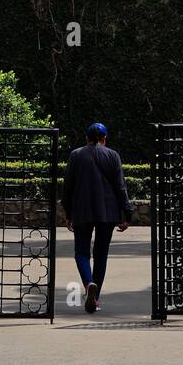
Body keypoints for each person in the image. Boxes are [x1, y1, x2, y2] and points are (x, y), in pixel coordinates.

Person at [61, 122, 132, 313]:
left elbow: (67, 187)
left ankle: (88, 284)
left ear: (86, 138)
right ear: (104, 138)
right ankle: (96, 297)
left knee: (82, 253)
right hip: (108, 213)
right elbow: (120, 186)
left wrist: (68, 213)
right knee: (101, 255)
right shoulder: (112, 155)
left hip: (82, 211)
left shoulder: (76, 155)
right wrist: (128, 214)